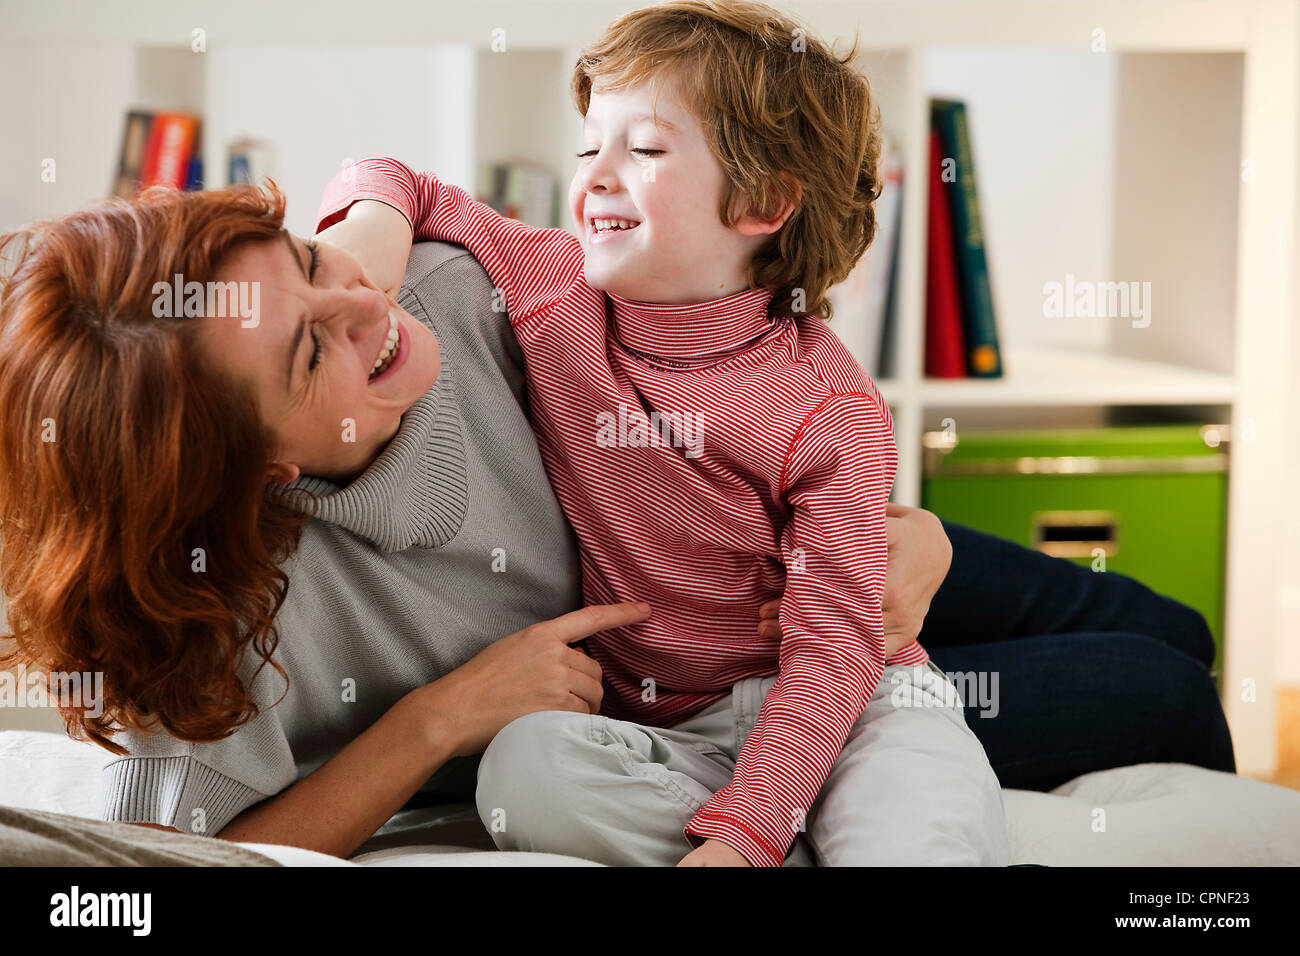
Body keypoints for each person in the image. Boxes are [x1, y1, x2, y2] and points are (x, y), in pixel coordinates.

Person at [311, 0, 1013, 867]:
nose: (596, 175)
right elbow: (392, 177)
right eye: (588, 146)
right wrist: (370, 241)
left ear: (762, 200)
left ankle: (773, 833)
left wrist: (745, 834)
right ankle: (766, 839)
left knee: (912, 823)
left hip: (851, 705)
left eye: (640, 150)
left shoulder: (829, 407)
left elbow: (834, 650)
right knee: (525, 772)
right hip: (670, 729)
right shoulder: (555, 288)